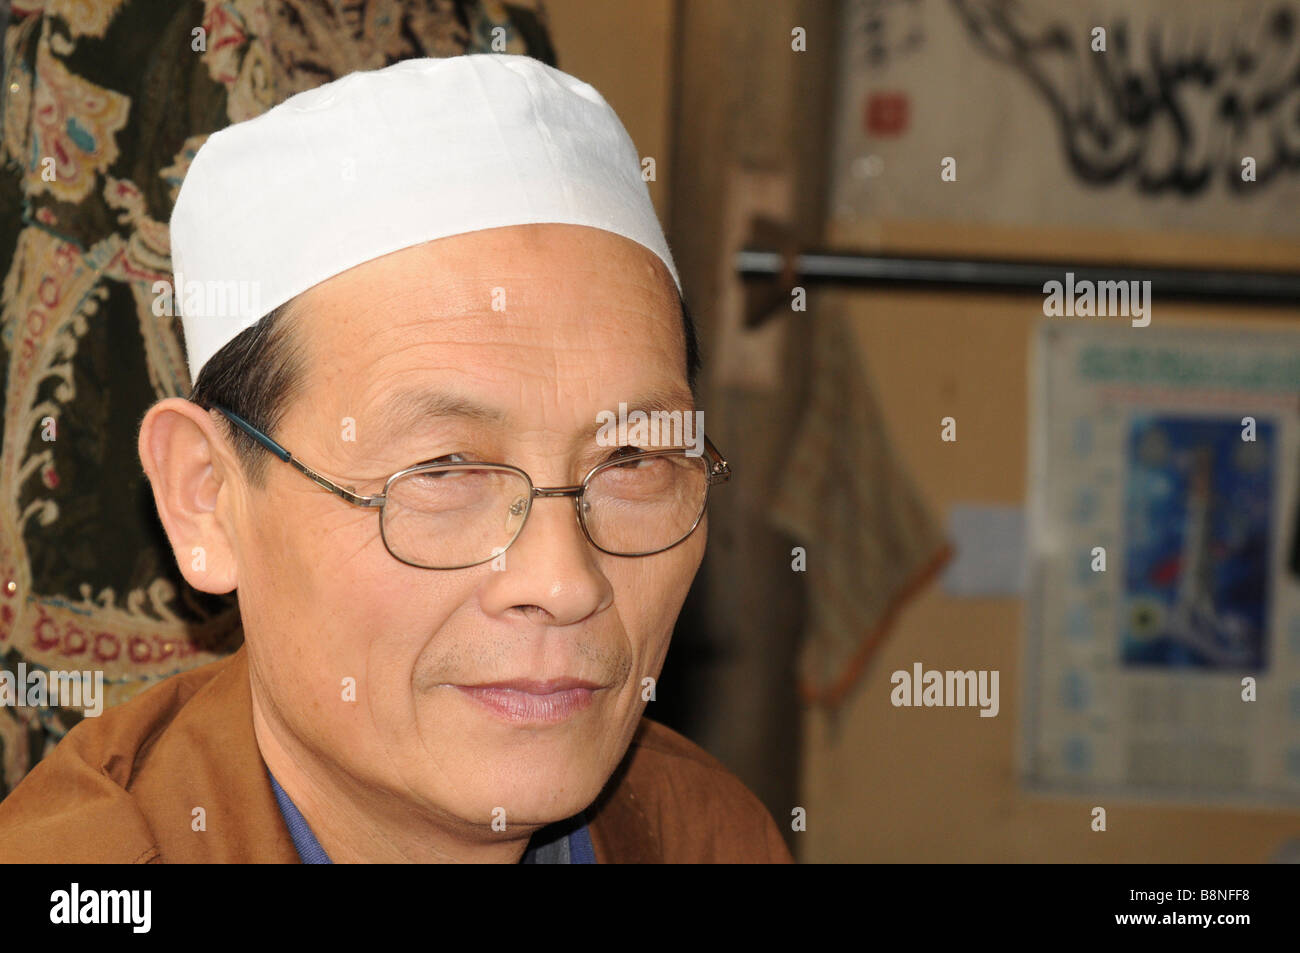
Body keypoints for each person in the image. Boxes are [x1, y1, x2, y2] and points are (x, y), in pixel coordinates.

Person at [0, 54, 792, 863]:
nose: (563, 581)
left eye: (631, 459)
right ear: (207, 495)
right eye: (445, 468)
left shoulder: (707, 833)